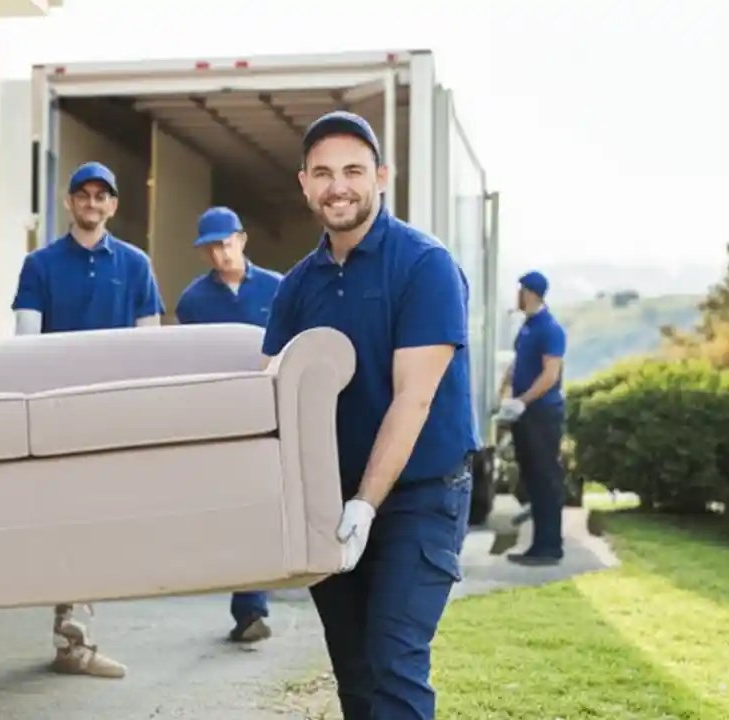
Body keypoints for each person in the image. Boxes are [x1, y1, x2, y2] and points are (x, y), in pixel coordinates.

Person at [261, 111, 477, 720]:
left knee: (392, 664)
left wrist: (367, 501)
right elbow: (271, 393)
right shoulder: (297, 287)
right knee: (354, 676)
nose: (339, 186)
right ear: (304, 183)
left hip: (418, 497)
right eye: (323, 173)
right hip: (330, 503)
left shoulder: (423, 265)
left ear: (381, 177)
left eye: (353, 171)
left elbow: (415, 398)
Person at [11, 160, 165, 679]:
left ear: (113, 205)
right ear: (69, 201)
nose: (92, 203)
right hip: (56, 406)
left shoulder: (136, 265)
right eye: (84, 194)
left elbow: (150, 346)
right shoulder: (40, 265)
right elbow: (26, 344)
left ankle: (73, 635)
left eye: (102, 196)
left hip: (113, 409)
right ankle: (72, 640)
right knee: (67, 518)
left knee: (98, 520)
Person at [173, 205, 282, 644]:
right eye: (211, 247)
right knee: (237, 505)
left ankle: (254, 603)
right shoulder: (193, 302)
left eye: (226, 242)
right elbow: (186, 362)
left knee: (268, 501)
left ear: (242, 238)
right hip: (222, 413)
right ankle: (247, 607)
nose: (221, 253)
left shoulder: (279, 288)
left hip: (272, 408)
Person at [497, 271, 568, 566]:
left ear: (531, 293)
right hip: (525, 412)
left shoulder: (550, 328)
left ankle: (548, 547)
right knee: (531, 475)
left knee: (544, 477)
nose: (517, 295)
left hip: (541, 413)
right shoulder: (528, 327)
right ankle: (540, 541)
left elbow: (550, 374)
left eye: (521, 290)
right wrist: (505, 390)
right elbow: (519, 363)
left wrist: (522, 401)